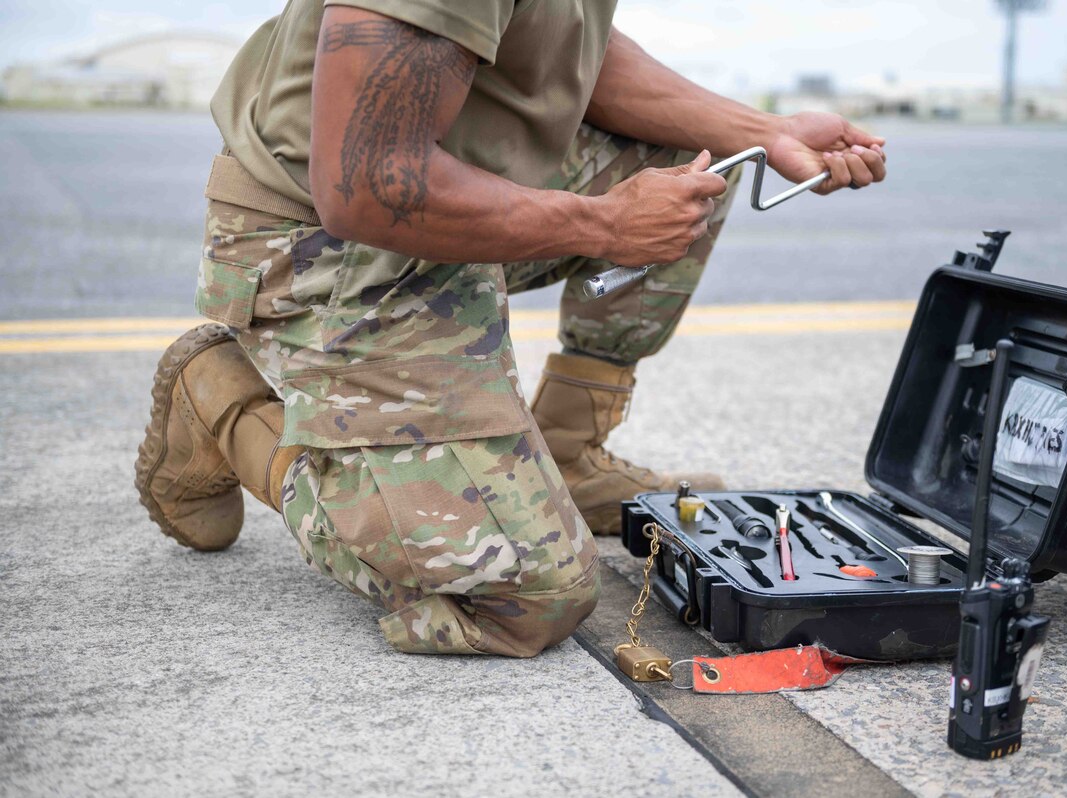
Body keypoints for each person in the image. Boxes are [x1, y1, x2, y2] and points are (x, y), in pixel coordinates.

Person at [135, 0, 887, 658]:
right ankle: (222, 400)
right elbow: (365, 184)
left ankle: (568, 449)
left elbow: (572, 53)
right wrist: (606, 222)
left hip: (443, 204)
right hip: (324, 244)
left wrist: (769, 131)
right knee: (528, 592)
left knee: (696, 170)